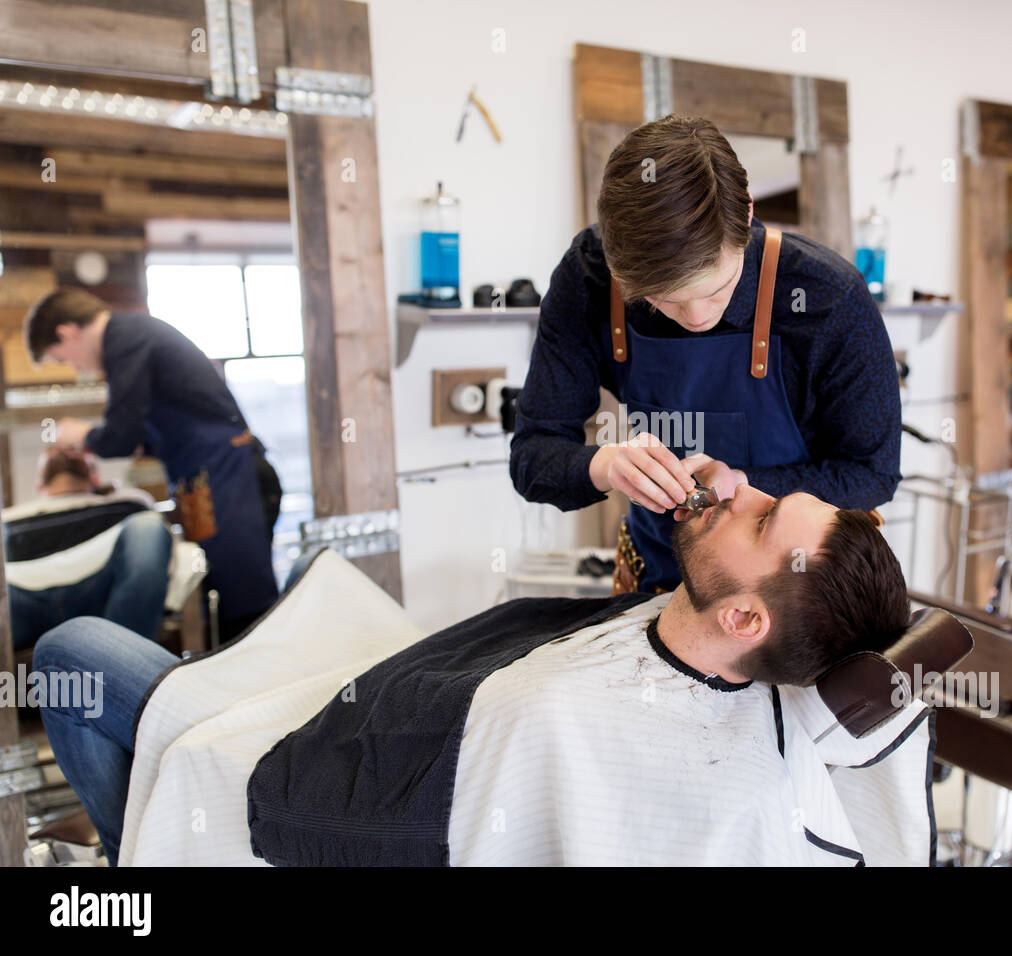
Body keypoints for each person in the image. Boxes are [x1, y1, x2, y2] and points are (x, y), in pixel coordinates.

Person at [34, 483, 914, 866]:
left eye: (760, 518)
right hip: (367, 691)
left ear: (747, 620)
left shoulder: (640, 749)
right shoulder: (708, 632)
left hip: (301, 765)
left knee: (74, 652)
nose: (743, 487)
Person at [510, 114, 902, 594]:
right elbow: (533, 458)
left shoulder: (827, 297)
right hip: (656, 575)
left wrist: (744, 482)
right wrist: (606, 464)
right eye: (664, 300)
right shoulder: (589, 276)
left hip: (796, 588)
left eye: (717, 290)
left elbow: (872, 473)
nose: (696, 317)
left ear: (749, 216)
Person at [23, 287, 282, 642]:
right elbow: (143, 434)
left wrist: (80, 434)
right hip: (211, 479)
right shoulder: (133, 339)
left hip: (231, 477)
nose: (77, 368)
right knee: (226, 610)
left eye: (64, 359)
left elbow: (119, 435)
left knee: (249, 611)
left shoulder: (125, 339)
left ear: (67, 333)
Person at [4, 449, 171, 650]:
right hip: (17, 602)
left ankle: (121, 660)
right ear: (38, 485)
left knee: (148, 526)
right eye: (56, 451)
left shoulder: (127, 503)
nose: (64, 450)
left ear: (95, 476)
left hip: (102, 592)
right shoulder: (10, 517)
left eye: (74, 449)